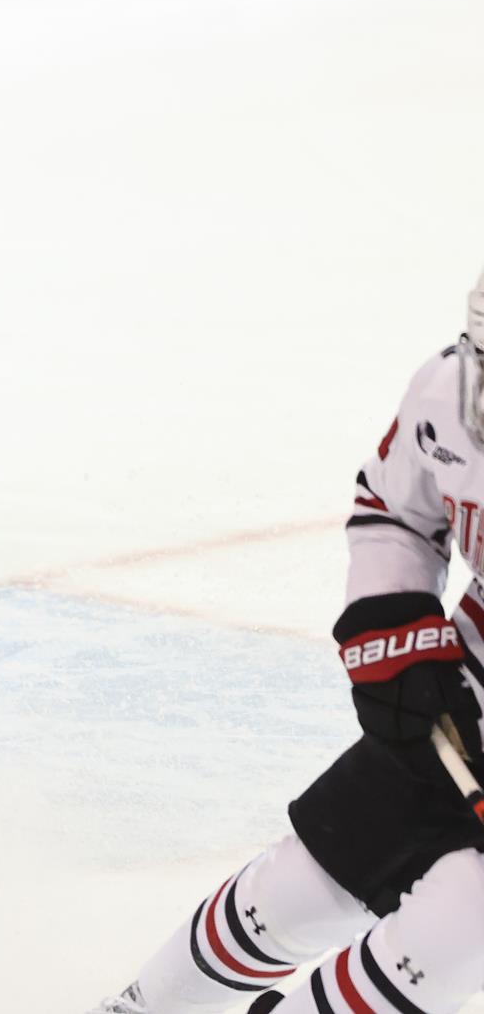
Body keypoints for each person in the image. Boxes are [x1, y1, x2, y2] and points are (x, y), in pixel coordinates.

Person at [88, 269, 484, 1014]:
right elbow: (394, 511)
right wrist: (395, 633)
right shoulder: (447, 393)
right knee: (301, 887)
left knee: (453, 930)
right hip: (462, 700)